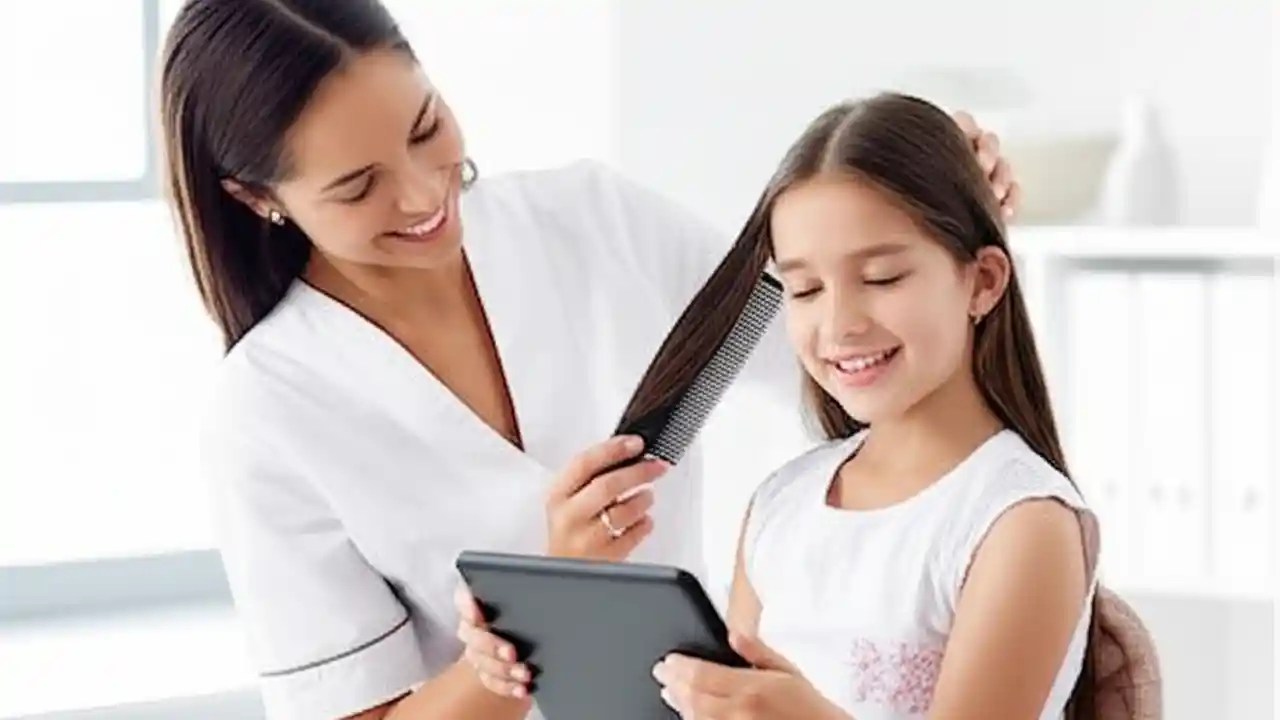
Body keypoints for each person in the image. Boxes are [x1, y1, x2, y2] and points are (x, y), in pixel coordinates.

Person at [161, 1, 1019, 718]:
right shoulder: (266, 413)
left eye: (428, 128)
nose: (423, 194)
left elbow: (843, 357)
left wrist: (932, 221)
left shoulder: (593, 220)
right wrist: (546, 599)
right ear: (258, 199)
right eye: (356, 187)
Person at [468, 94, 1101, 719]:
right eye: (804, 289)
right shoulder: (782, 506)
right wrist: (537, 642)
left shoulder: (1018, 525)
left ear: (983, 281)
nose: (839, 324)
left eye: (881, 278)